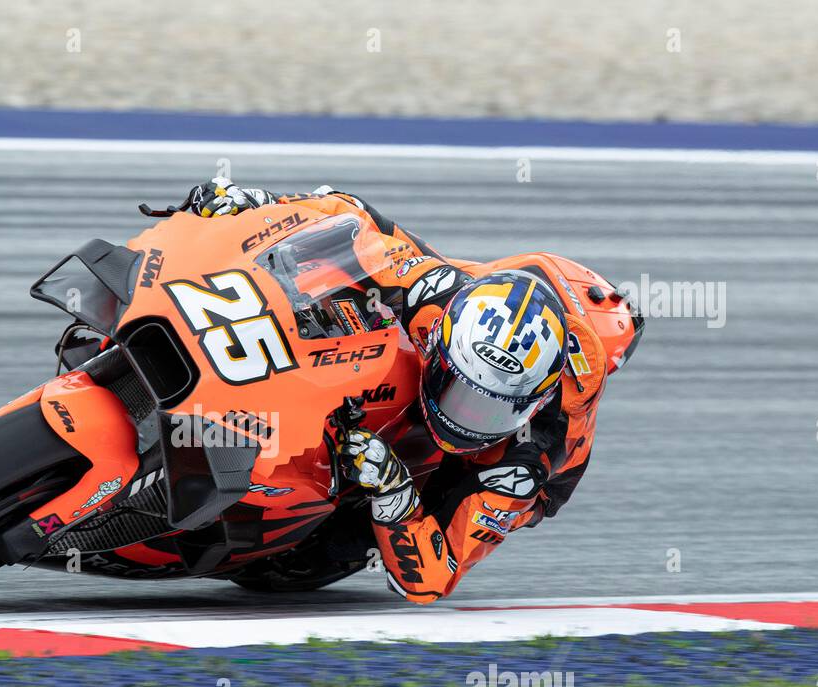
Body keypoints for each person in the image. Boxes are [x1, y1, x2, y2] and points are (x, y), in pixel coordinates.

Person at [182, 177, 634, 602]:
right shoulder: (433, 298)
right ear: (440, 339)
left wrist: (394, 493)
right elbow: (353, 218)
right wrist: (258, 206)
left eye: (488, 412)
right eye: (459, 392)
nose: (464, 419)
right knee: (334, 289)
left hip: (494, 466)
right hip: (489, 303)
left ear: (529, 408)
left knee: (343, 540)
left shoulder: (523, 464)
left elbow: (432, 579)